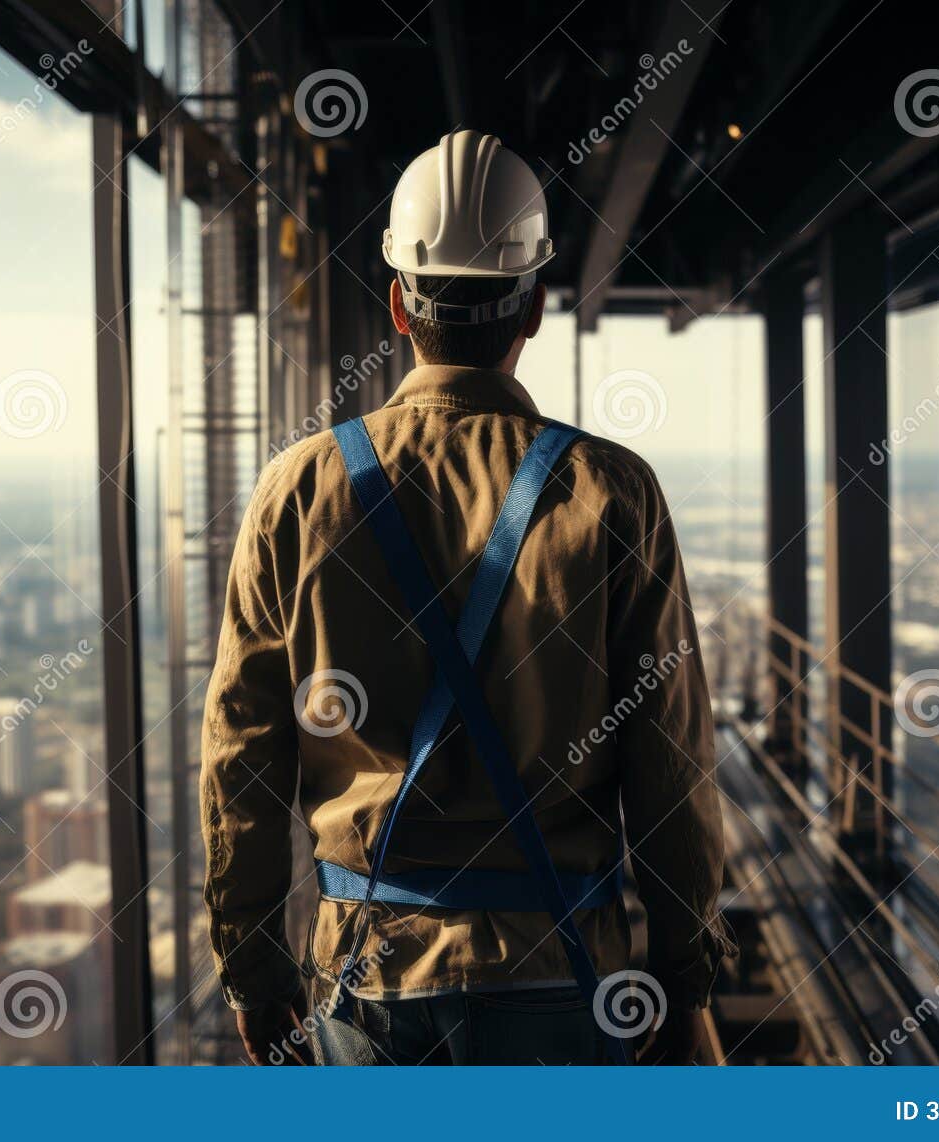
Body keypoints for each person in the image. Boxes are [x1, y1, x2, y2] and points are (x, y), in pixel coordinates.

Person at [200, 130, 733, 1066]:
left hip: (370, 982)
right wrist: (685, 979)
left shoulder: (299, 488)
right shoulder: (611, 491)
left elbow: (241, 752)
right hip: (567, 982)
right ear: (532, 309)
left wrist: (253, 968)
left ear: (399, 304)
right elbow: (669, 760)